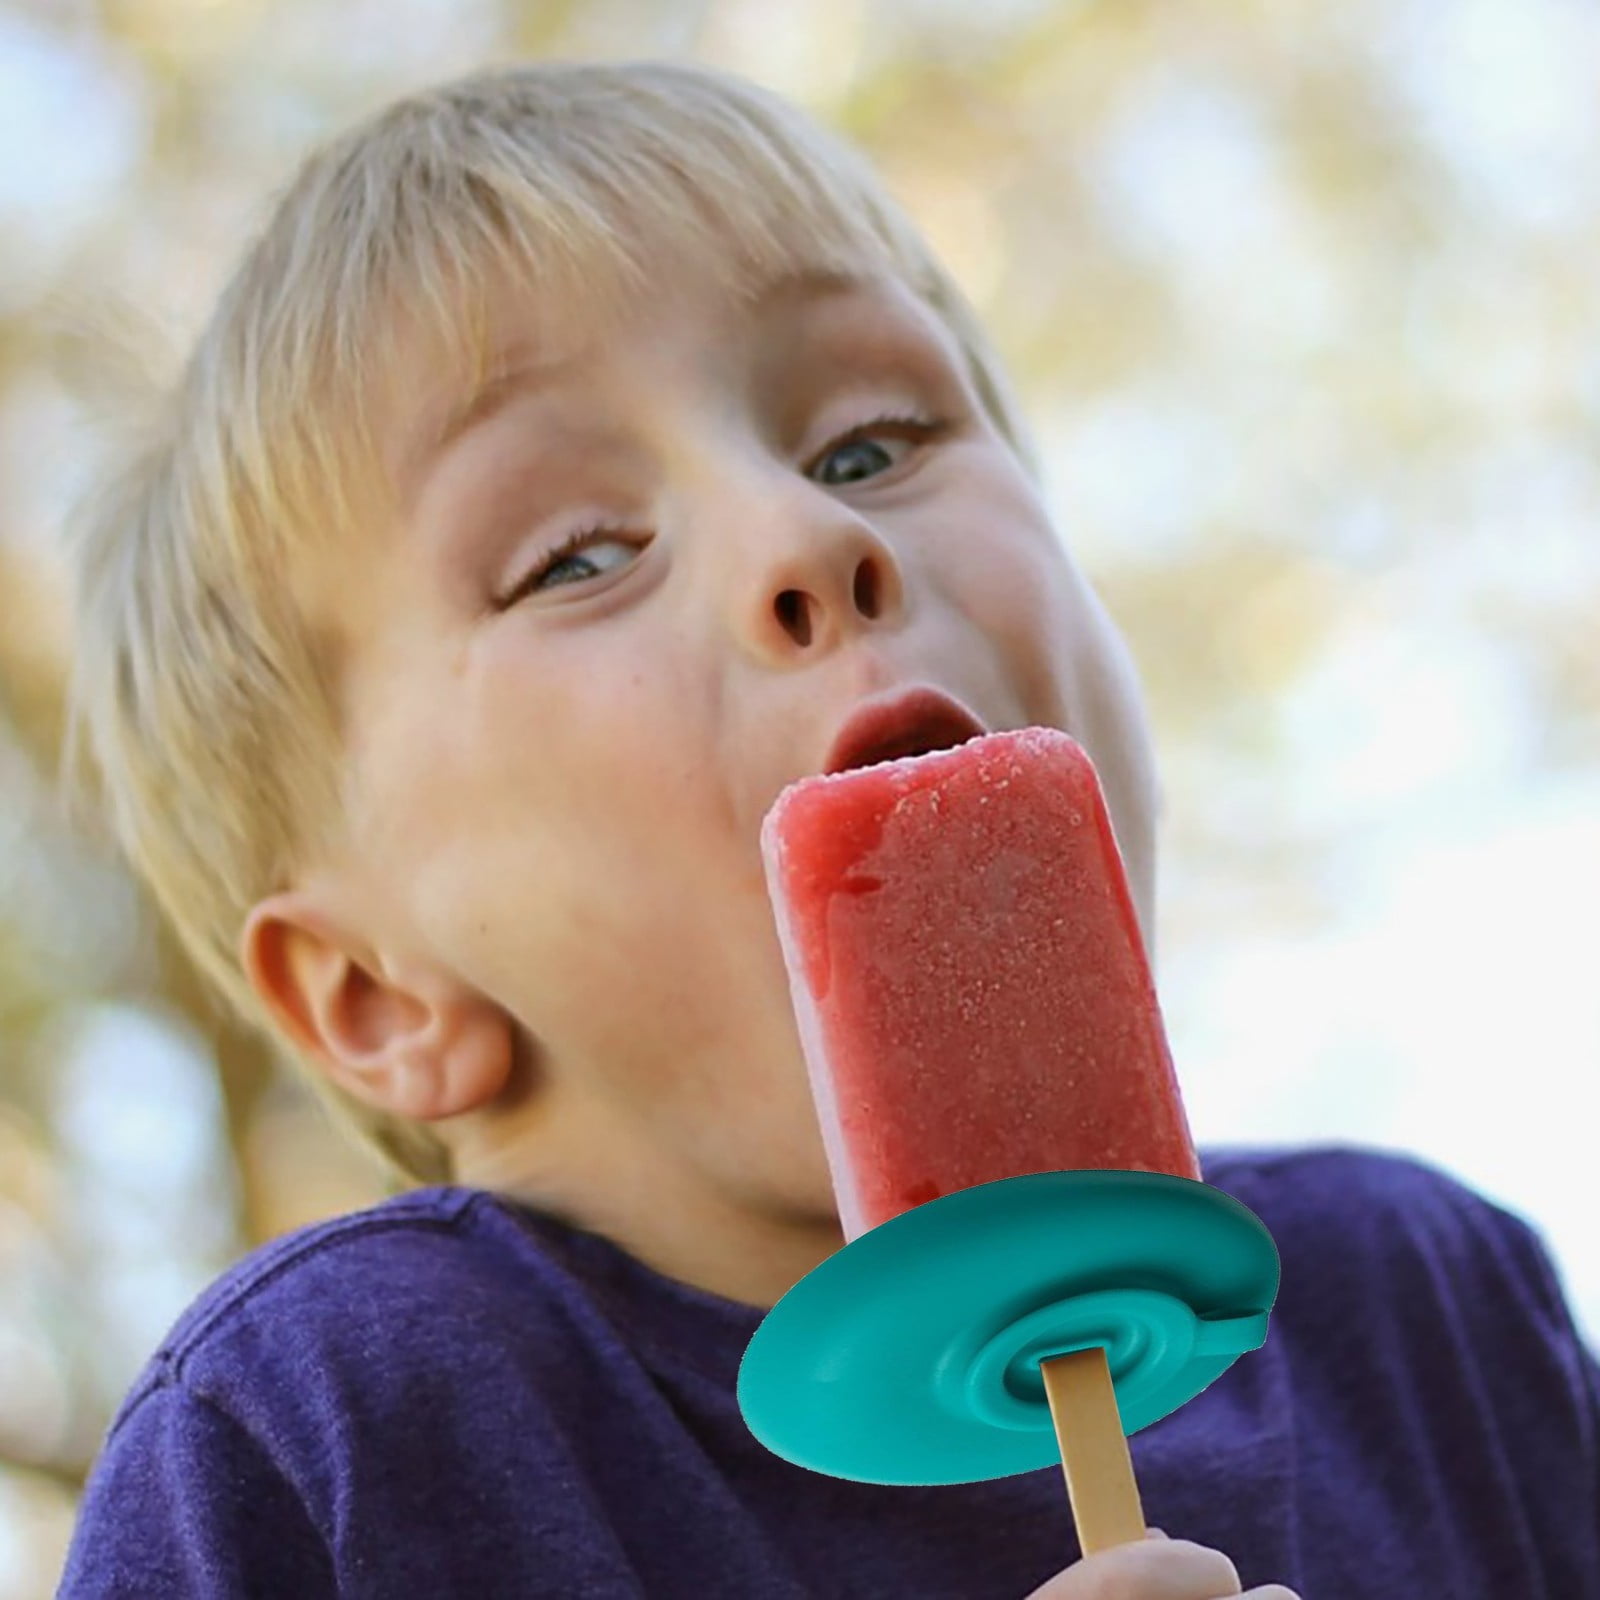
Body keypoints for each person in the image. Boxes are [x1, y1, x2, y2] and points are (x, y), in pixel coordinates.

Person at [53, 57, 1598, 1599]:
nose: (812, 535)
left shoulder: (1428, 1318)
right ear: (376, 994)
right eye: (580, 555)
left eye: (870, 442)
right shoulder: (329, 1440)